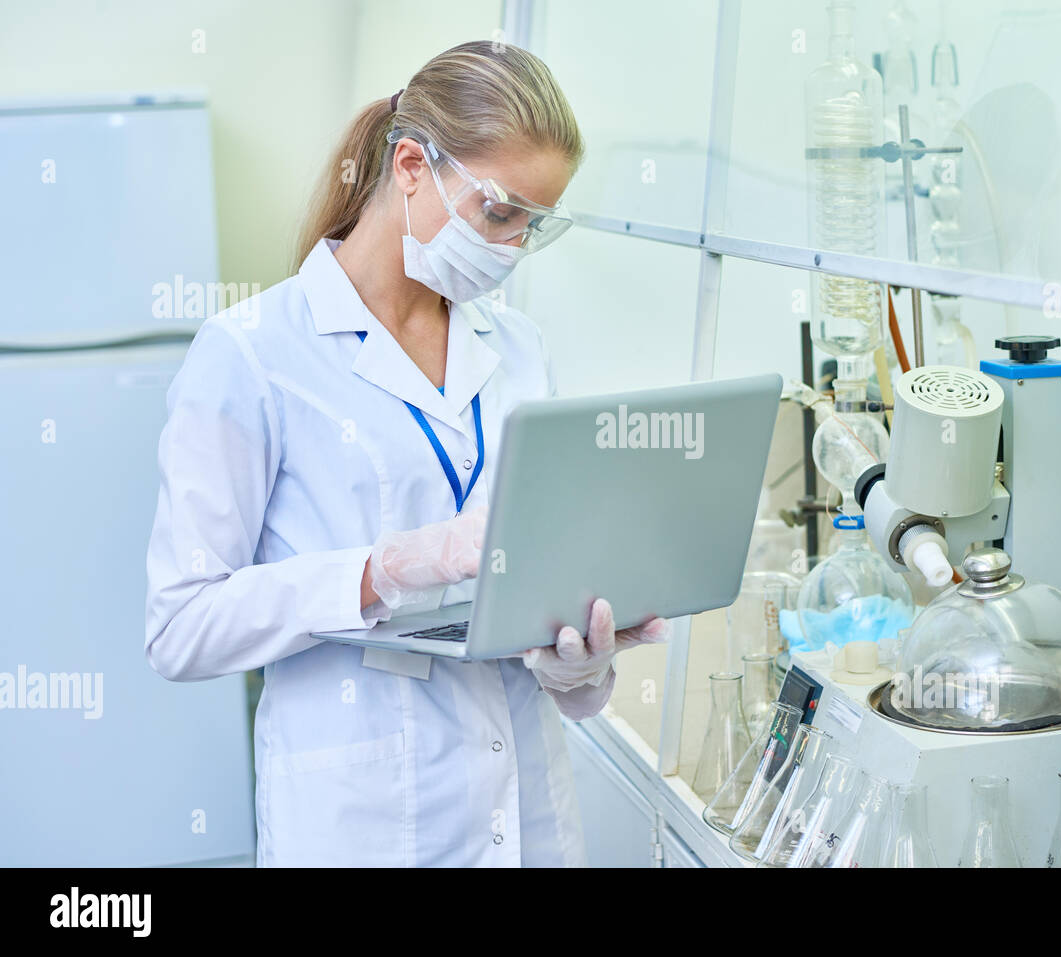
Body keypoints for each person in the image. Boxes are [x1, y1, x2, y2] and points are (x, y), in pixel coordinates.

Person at [144, 40, 668, 867]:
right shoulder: (251, 354)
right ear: (413, 165)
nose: (513, 247)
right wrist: (380, 571)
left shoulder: (519, 349)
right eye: (501, 213)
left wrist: (578, 666)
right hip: (363, 823)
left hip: (525, 816)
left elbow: (536, 601)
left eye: (536, 224)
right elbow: (181, 627)